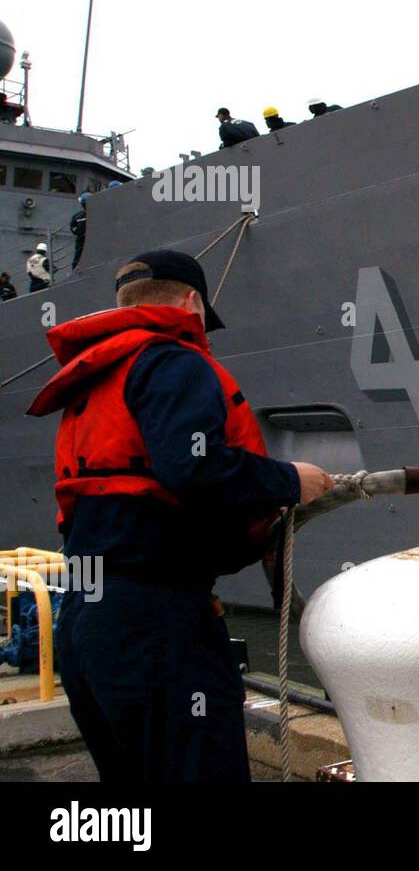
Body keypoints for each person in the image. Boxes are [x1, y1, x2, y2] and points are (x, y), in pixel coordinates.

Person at [26, 249, 335, 781]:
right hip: (155, 622)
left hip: (86, 617)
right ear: (191, 302)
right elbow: (190, 465)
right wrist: (290, 481)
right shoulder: (172, 360)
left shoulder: (99, 376)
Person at [70, 193, 90, 269]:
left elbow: (73, 229)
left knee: (78, 256)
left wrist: (79, 233)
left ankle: (75, 269)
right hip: (93, 239)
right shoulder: (96, 214)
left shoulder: (77, 216)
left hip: (80, 239)